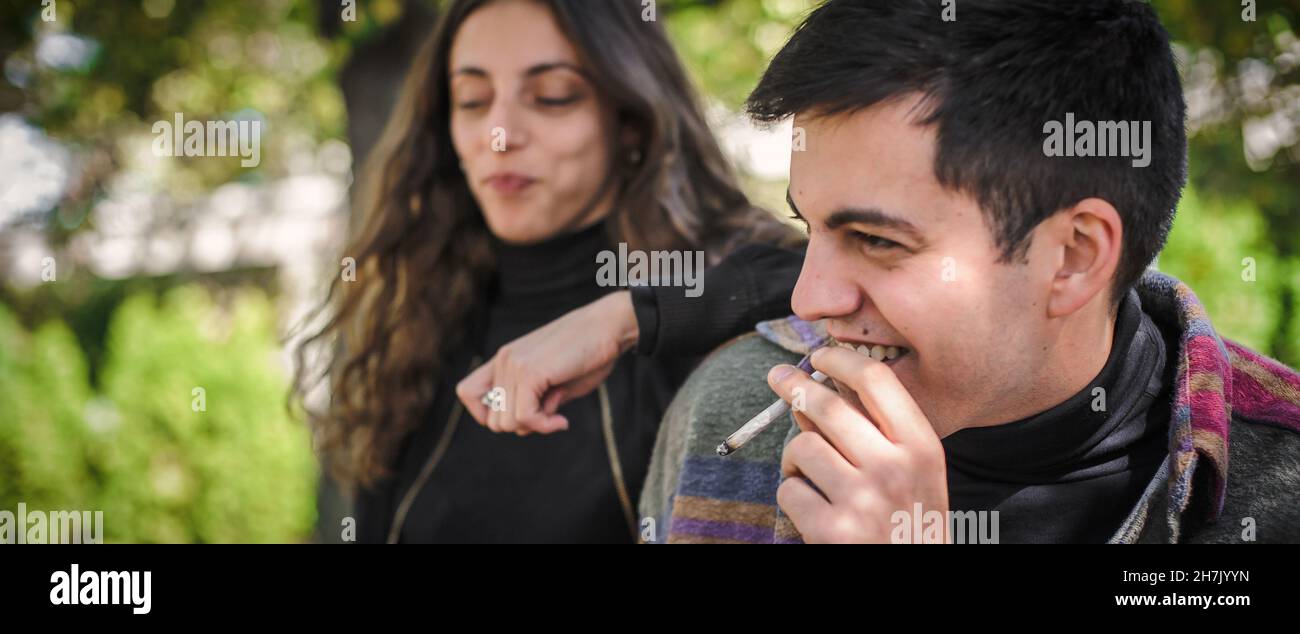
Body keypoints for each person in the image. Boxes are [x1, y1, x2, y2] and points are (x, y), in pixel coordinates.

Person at [635, 0, 1300, 543]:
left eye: (876, 240)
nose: (809, 299)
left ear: (1073, 256)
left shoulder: (1280, 488)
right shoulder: (725, 412)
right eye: (811, 227)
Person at [292, 0, 798, 543]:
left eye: (552, 96)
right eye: (472, 100)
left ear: (629, 122)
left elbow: (823, 277)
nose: (500, 134)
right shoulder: (416, 315)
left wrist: (625, 318)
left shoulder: (695, 308)